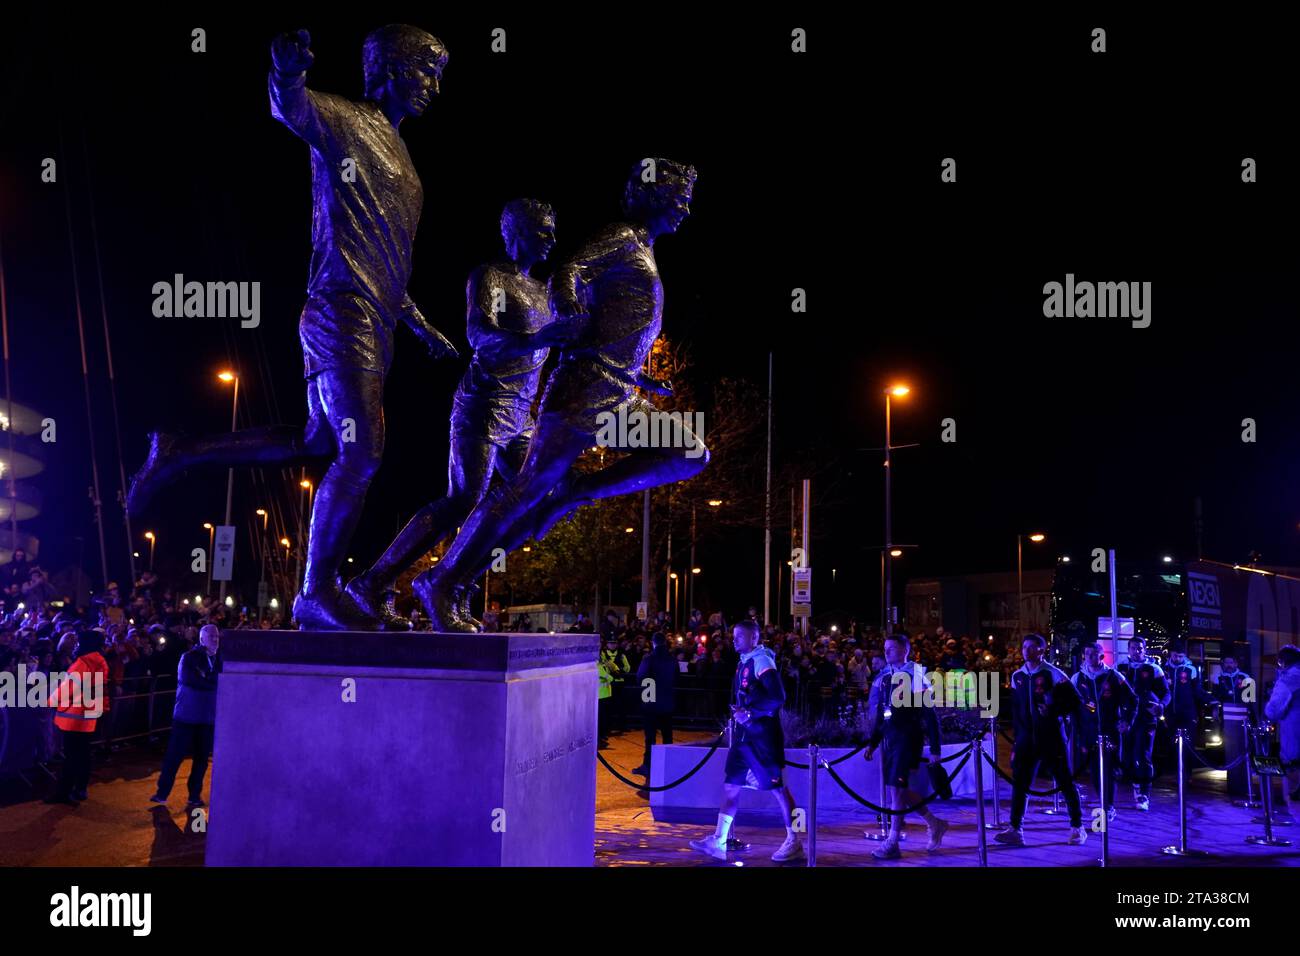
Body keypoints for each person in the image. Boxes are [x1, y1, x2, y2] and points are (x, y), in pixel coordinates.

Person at [127, 25, 459, 629]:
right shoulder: (347, 121)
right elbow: (293, 108)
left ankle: (181, 449)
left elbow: (387, 263)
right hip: (341, 312)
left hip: (374, 321)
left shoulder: (406, 164)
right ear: (385, 68)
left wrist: (418, 325)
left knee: (314, 442)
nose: (434, 86)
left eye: (439, 74)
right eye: (423, 70)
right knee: (361, 454)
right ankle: (316, 591)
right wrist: (287, 74)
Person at [412, 159, 704, 628]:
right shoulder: (622, 238)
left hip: (619, 390)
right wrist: (566, 302)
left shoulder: (643, 249)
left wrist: (643, 379)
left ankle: (574, 494)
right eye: (679, 199)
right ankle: (443, 580)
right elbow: (570, 270)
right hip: (583, 391)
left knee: (689, 451)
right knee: (526, 490)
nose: (686, 210)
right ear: (653, 199)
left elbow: (612, 323)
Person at [344, 199, 562, 627]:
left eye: (552, 231)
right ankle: (373, 582)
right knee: (464, 496)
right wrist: (540, 339)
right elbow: (481, 335)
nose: (551, 239)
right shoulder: (493, 278)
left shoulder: (547, 292)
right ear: (513, 233)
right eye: (542, 230)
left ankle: (454, 581)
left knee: (538, 500)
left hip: (522, 414)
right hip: (483, 403)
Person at [689, 621, 804, 863]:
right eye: (734, 636)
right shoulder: (744, 661)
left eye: (739, 636)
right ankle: (719, 841)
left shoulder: (762, 661)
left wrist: (751, 713)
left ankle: (794, 840)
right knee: (731, 786)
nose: (734, 640)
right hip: (743, 737)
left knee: (779, 790)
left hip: (762, 738)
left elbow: (778, 697)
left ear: (754, 638)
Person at [996, 633, 1088, 846]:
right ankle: (1015, 829)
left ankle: (1077, 827)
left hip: (1052, 737)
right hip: (1026, 739)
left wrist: (1053, 709)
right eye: (1024, 646)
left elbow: (1075, 701)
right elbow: (1017, 711)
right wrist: (1016, 740)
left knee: (1064, 781)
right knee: (1020, 784)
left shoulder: (1053, 674)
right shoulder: (1017, 676)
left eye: (1032, 647)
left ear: (1041, 650)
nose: (1026, 650)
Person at [863, 633, 949, 858]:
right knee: (896, 789)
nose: (886, 651)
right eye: (885, 647)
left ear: (905, 650)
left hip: (908, 738)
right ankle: (934, 822)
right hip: (890, 739)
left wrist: (935, 749)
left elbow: (929, 714)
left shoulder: (915, 675)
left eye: (891, 647)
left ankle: (892, 842)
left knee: (897, 790)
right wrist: (873, 742)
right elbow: (883, 713)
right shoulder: (885, 676)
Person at [151, 624, 221, 809]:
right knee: (174, 757)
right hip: (186, 716)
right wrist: (212, 680)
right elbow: (191, 681)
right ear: (202, 638)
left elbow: (221, 681)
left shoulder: (220, 660)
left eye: (217, 635)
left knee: (201, 759)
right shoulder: (189, 658)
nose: (215, 639)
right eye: (211, 635)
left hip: (207, 717)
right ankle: (162, 793)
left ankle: (194, 795)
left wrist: (208, 677)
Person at [1072, 641, 1135, 821]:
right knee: (1094, 773)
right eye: (1087, 653)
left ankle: (1108, 807)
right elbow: (1072, 705)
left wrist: (1126, 721)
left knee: (1108, 771)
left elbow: (1133, 700)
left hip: (1110, 731)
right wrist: (1076, 731)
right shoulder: (1078, 678)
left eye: (1094, 654)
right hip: (1088, 733)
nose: (1091, 657)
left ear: (1101, 656)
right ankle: (1102, 802)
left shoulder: (1114, 676)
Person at [45, 630, 109, 806]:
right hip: (88, 715)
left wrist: (49, 700)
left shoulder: (83, 662)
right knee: (83, 754)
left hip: (74, 716)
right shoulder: (100, 661)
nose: (76, 645)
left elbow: (69, 688)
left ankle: (63, 793)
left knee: (71, 756)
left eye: (79, 642)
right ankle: (80, 788)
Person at [1263, 645, 1300, 819]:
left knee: (1292, 767)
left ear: (1283, 661)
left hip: (1294, 732)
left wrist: (1268, 712)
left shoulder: (1288, 678)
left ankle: (1293, 812)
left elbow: (1274, 709)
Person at [632, 631, 676, 776]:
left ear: (653, 642)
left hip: (651, 703)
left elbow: (640, 678)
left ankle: (648, 765)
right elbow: (677, 679)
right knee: (667, 736)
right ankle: (669, 764)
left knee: (650, 737)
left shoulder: (649, 659)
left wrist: (649, 693)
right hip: (668, 703)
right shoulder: (672, 659)